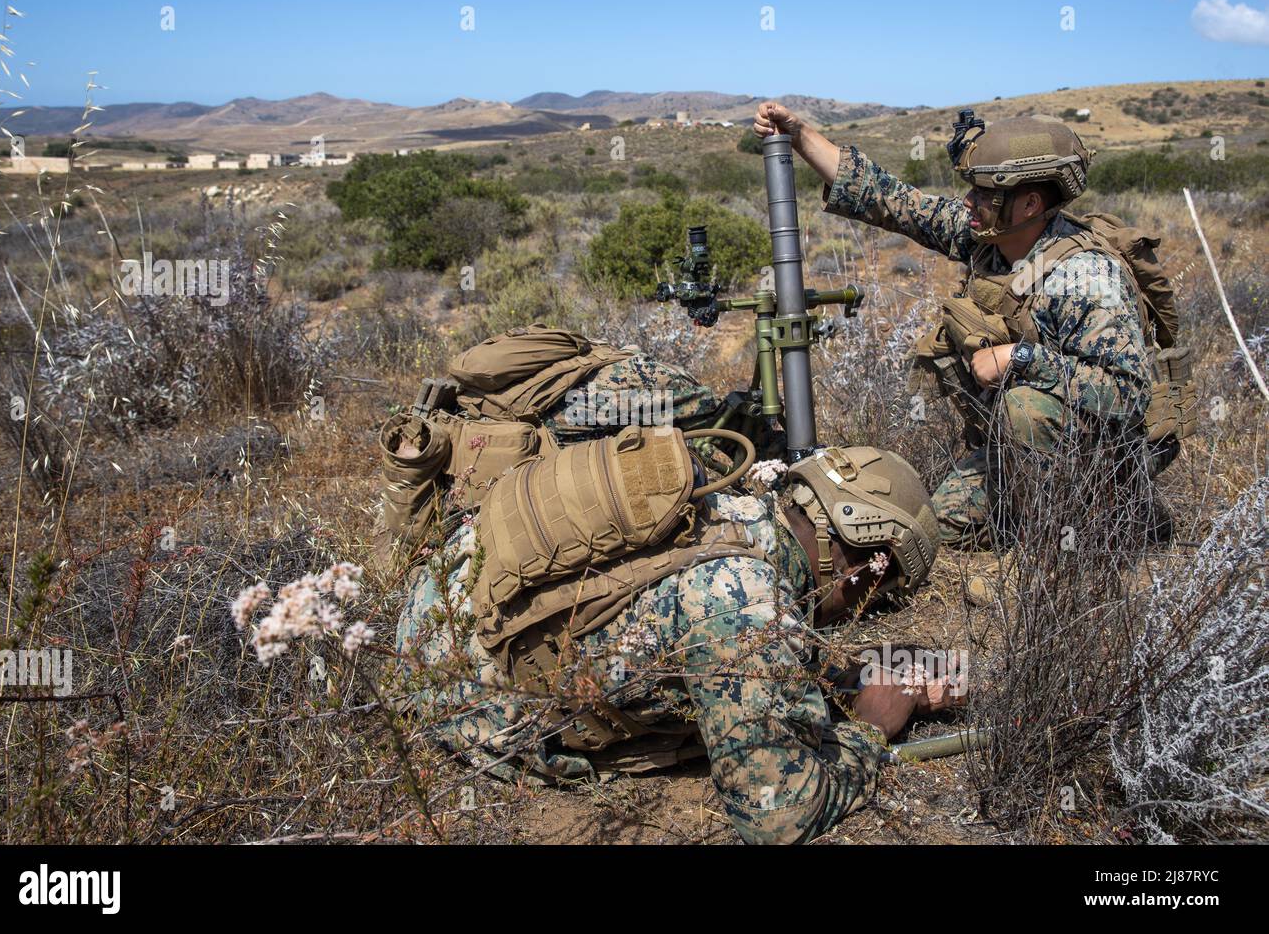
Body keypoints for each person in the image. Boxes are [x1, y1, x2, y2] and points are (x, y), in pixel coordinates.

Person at [395, 443, 958, 845]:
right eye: (884, 592)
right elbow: (777, 817)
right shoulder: (750, 603)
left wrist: (836, 676)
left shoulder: (734, 507)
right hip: (454, 698)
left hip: (433, 613)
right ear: (864, 565)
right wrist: (872, 728)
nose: (869, 609)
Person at [752, 102, 1169, 554]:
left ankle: (1086, 531)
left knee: (1025, 407)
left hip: (1099, 454)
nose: (968, 202)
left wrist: (1021, 357)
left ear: (1029, 203)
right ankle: (1023, 507)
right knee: (933, 534)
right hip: (1017, 450)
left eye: (984, 193)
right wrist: (800, 136)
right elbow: (891, 200)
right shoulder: (989, 237)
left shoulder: (1086, 276)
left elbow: (1129, 392)